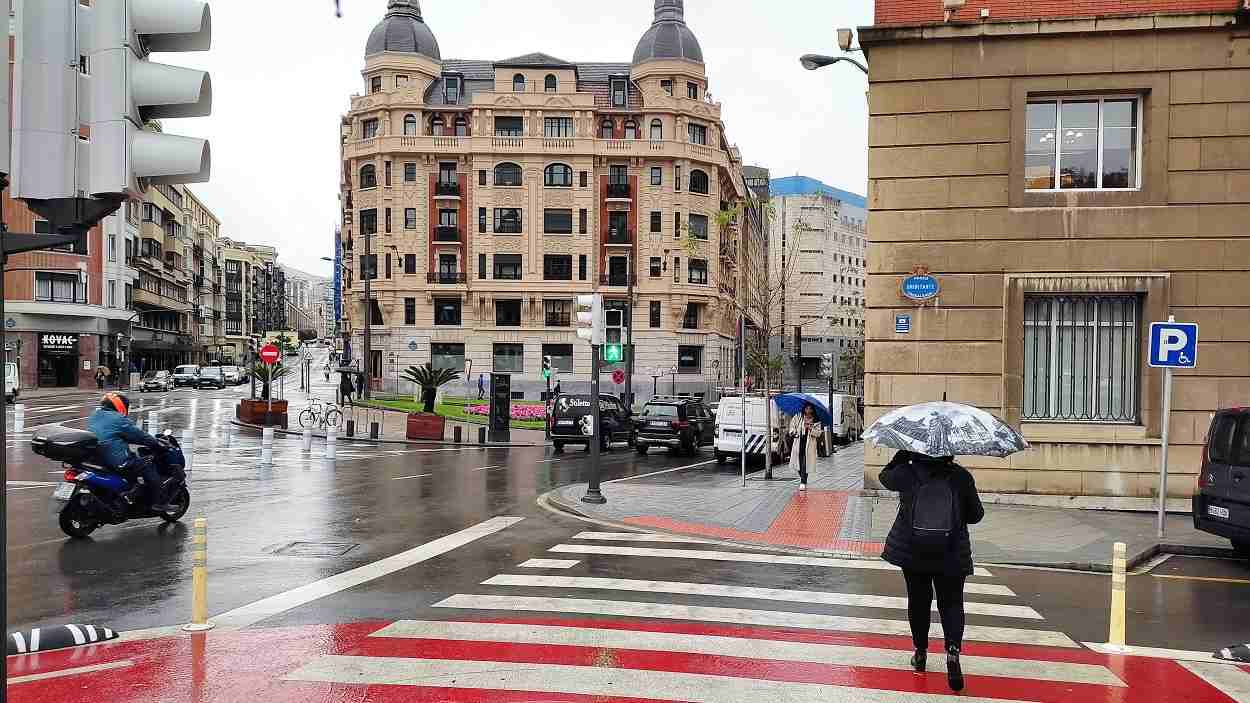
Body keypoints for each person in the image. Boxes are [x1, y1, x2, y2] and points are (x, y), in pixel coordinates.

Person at [879, 450, 984, 693]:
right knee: (952, 603)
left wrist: (900, 458)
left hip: (914, 552)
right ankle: (953, 654)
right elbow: (976, 515)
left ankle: (921, 652)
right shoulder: (961, 477)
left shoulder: (907, 472)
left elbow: (884, 477)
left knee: (918, 601)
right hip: (951, 552)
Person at [86, 393, 174, 511]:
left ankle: (129, 494)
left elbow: (114, 434)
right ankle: (159, 502)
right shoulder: (118, 419)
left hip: (98, 458)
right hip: (117, 460)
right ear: (120, 405)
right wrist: (157, 444)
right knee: (147, 464)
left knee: (134, 469)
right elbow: (140, 436)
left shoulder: (94, 415)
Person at [786, 403, 824, 491]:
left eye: (810, 409)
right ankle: (804, 479)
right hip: (799, 442)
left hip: (809, 445)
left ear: (813, 410)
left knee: (805, 463)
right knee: (798, 463)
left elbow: (818, 433)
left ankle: (802, 482)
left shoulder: (816, 421)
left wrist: (811, 428)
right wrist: (794, 431)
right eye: (807, 408)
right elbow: (792, 427)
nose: (808, 411)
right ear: (804, 409)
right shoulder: (798, 417)